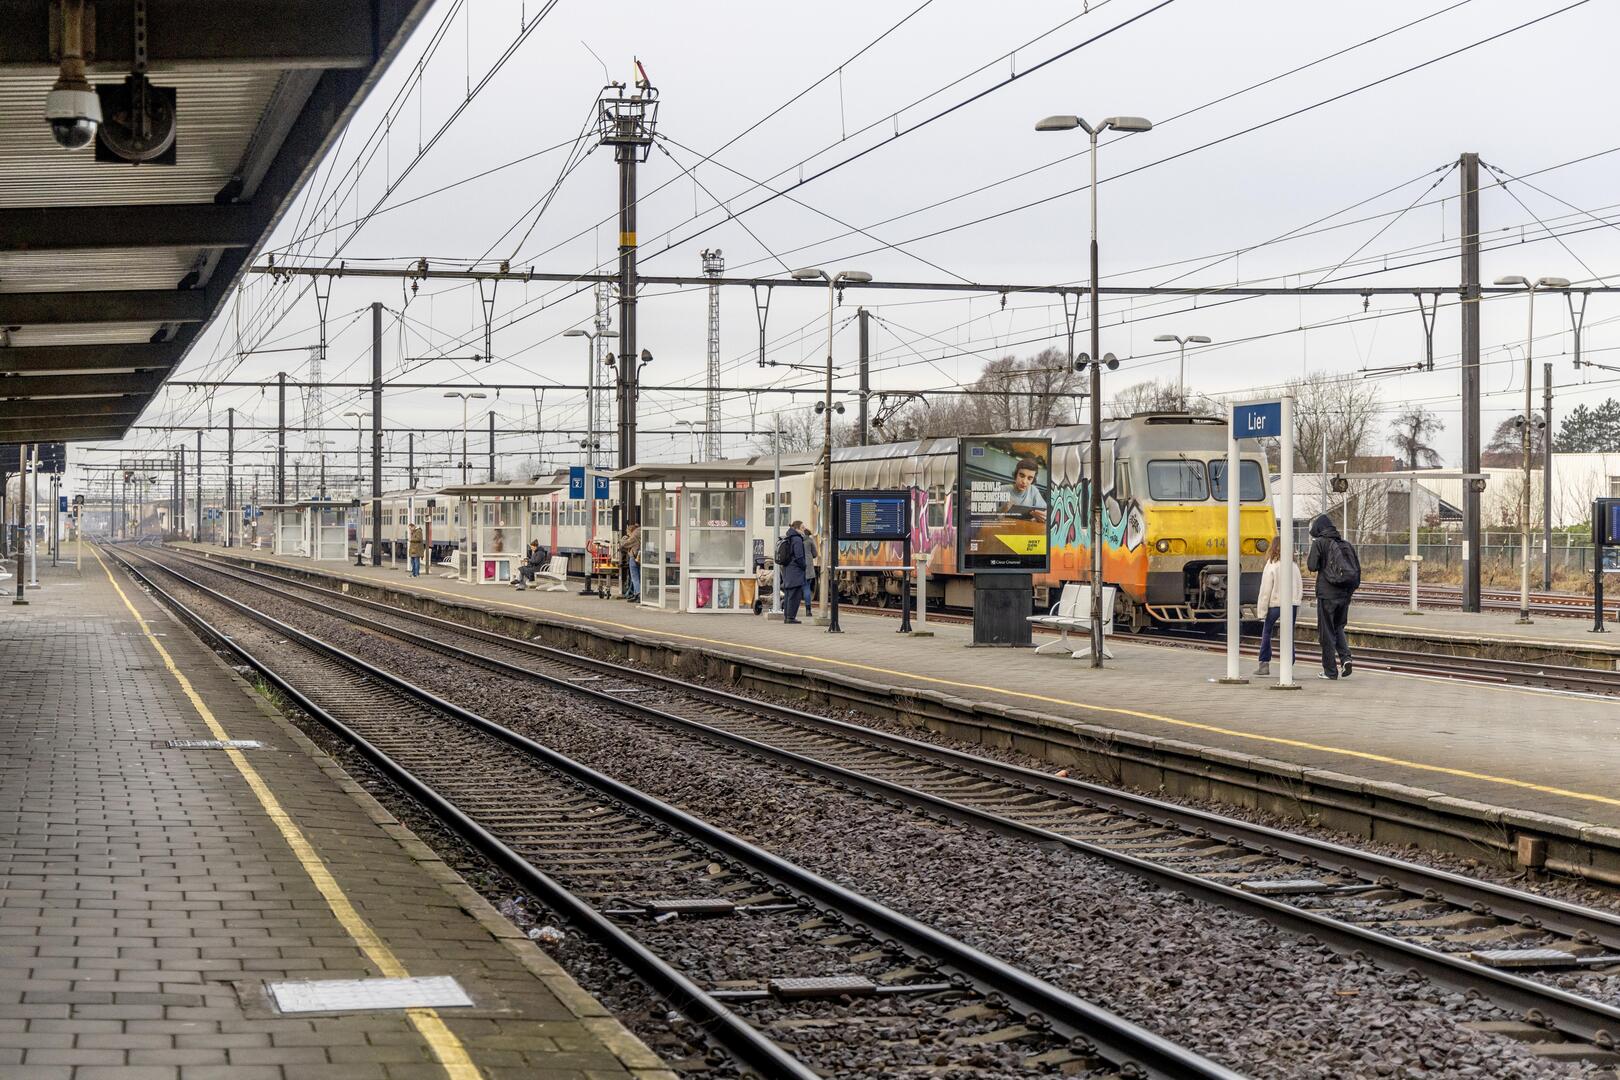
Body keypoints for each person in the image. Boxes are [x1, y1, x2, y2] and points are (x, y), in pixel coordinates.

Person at [1306, 514, 1360, 680]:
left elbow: (1312, 566)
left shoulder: (1320, 543)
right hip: (1345, 594)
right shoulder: (1345, 544)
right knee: (1338, 627)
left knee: (1327, 632)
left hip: (1327, 594)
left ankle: (1330, 671)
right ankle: (1346, 658)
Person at [1253, 535, 1301, 676]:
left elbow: (1265, 589)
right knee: (1288, 634)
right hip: (1291, 604)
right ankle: (1288, 666)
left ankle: (1264, 664)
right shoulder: (1294, 565)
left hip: (1275, 604)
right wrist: (1296, 602)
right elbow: (1299, 586)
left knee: (1267, 631)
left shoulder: (1272, 565)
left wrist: (1261, 611)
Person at [995, 458, 1047, 524]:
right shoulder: (1001, 490)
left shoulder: (1034, 491)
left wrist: (1043, 516)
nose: (1024, 481)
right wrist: (1004, 509)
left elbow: (1046, 511)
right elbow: (988, 518)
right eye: (1022, 476)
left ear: (1033, 480)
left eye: (1029, 478)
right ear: (1016, 474)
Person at [779, 520, 808, 623]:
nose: (804, 530)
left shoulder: (789, 537)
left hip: (788, 569)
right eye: (802, 528)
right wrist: (804, 566)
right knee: (795, 595)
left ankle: (787, 616)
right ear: (797, 528)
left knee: (788, 595)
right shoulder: (797, 539)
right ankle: (791, 617)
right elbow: (799, 556)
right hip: (795, 571)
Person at [618, 521, 642, 602]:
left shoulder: (634, 535)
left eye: (628, 532)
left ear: (630, 530)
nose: (628, 534)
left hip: (634, 557)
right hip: (641, 558)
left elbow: (624, 544)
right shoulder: (641, 532)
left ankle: (638, 594)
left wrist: (624, 537)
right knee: (639, 577)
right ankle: (636, 594)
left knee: (635, 577)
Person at [802, 530, 820, 617]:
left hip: (797, 567)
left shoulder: (796, 540)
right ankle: (808, 610)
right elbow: (815, 554)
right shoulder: (809, 540)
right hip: (808, 567)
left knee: (795, 589)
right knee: (807, 588)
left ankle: (791, 610)